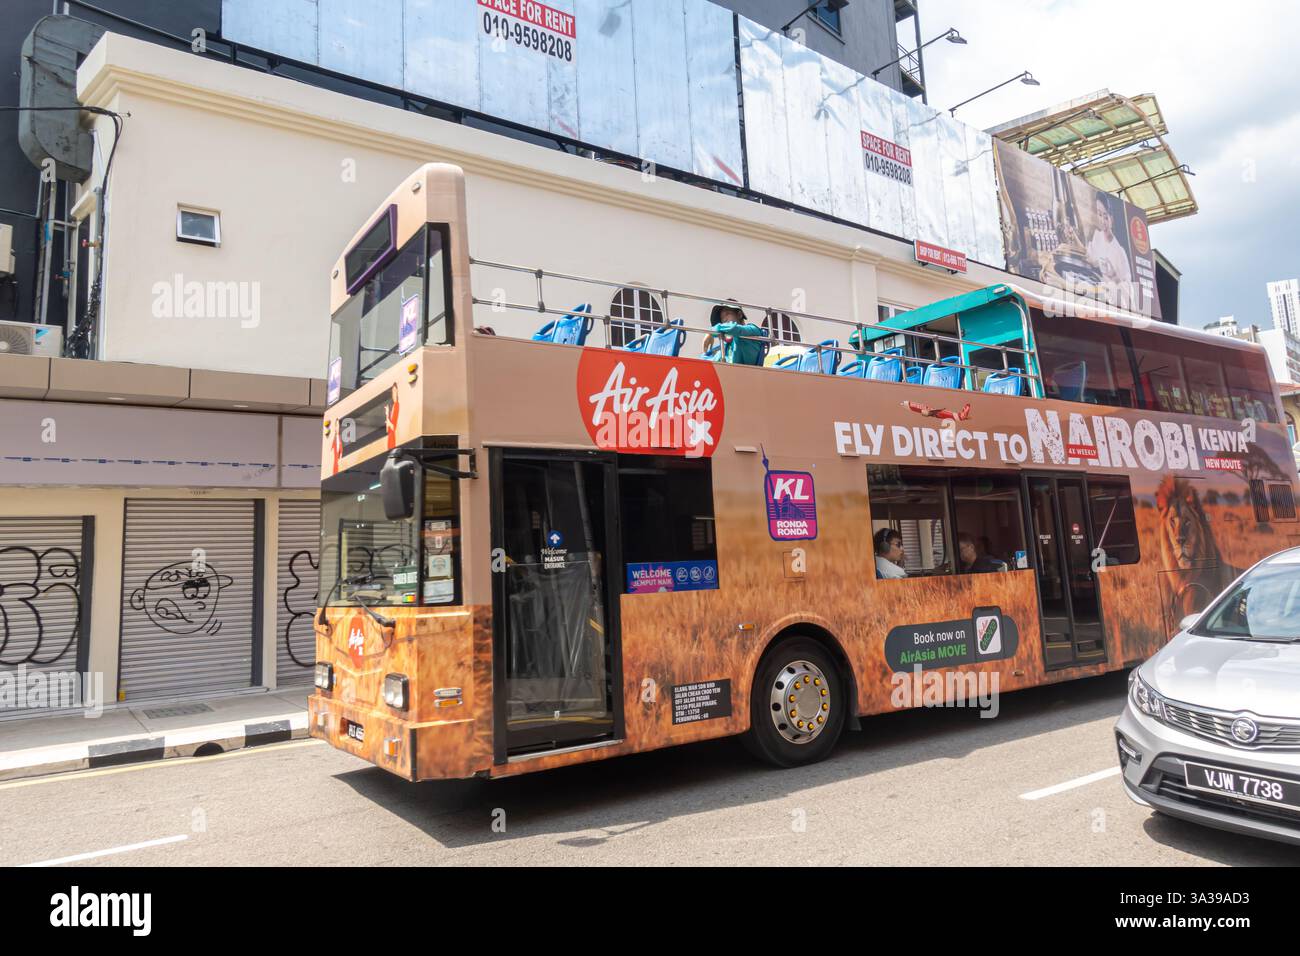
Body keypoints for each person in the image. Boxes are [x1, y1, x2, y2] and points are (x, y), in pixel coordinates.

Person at [1086, 196, 1133, 310]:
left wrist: (1114, 275)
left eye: (1106, 216)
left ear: (1112, 218)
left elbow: (1129, 298)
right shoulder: (1097, 236)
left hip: (1111, 306)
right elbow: (1088, 257)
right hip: (1091, 295)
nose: (1102, 220)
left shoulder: (1119, 252)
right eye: (1099, 214)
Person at [702, 300, 765, 366]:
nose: (724, 320)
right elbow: (713, 360)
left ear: (739, 315)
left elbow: (733, 328)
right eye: (722, 318)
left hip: (747, 373)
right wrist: (705, 355)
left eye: (727, 314)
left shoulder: (752, 330)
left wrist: (711, 333)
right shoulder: (726, 344)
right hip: (731, 373)